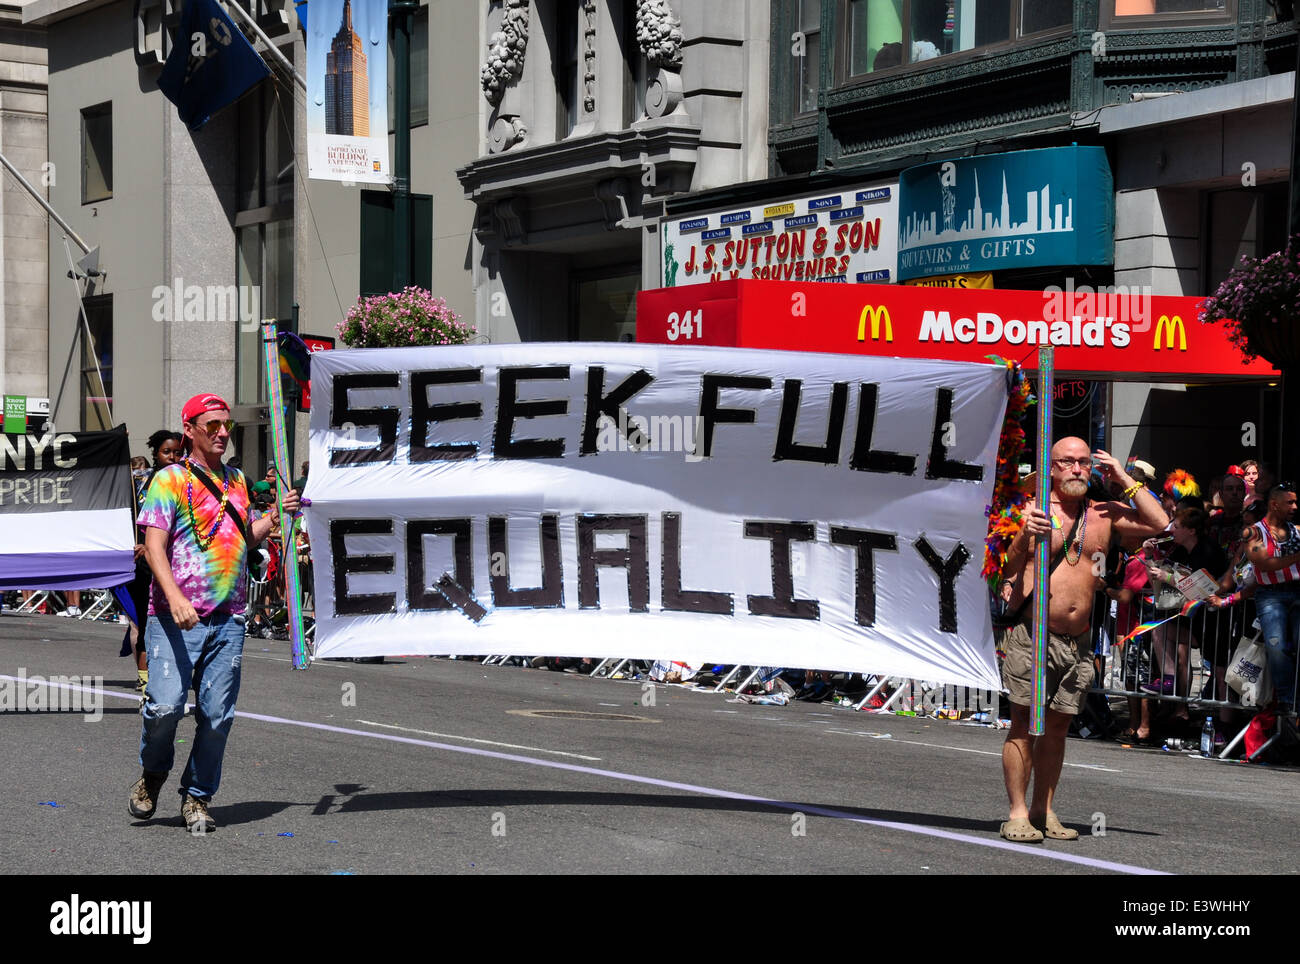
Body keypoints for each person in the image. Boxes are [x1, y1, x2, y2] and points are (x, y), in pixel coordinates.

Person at [128, 393, 299, 833]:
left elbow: (245, 537)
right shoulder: (169, 479)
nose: (223, 432)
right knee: (164, 708)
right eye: (213, 426)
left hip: (229, 618)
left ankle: (198, 796)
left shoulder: (238, 482)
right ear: (190, 430)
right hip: (173, 619)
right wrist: (176, 597)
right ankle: (153, 774)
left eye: (227, 426)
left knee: (217, 715)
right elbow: (152, 548)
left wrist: (277, 515)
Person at [997, 438, 1168, 843]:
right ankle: (1017, 813)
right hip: (1033, 635)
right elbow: (1003, 568)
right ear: (1051, 468)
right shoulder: (1030, 511)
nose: (1076, 469)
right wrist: (1024, 534)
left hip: (1079, 642)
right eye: (1067, 462)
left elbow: (1161, 524)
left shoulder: (1104, 514)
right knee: (1023, 724)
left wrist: (1124, 478)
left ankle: (1043, 809)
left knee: (1057, 728)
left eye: (1082, 462)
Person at [1243, 481, 1300, 716]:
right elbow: (1264, 564)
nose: (1295, 506)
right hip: (1271, 596)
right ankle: (1286, 701)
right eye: (1290, 502)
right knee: (1276, 648)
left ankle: (1295, 698)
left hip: (1297, 592)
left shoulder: (1296, 530)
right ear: (1274, 505)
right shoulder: (1253, 532)